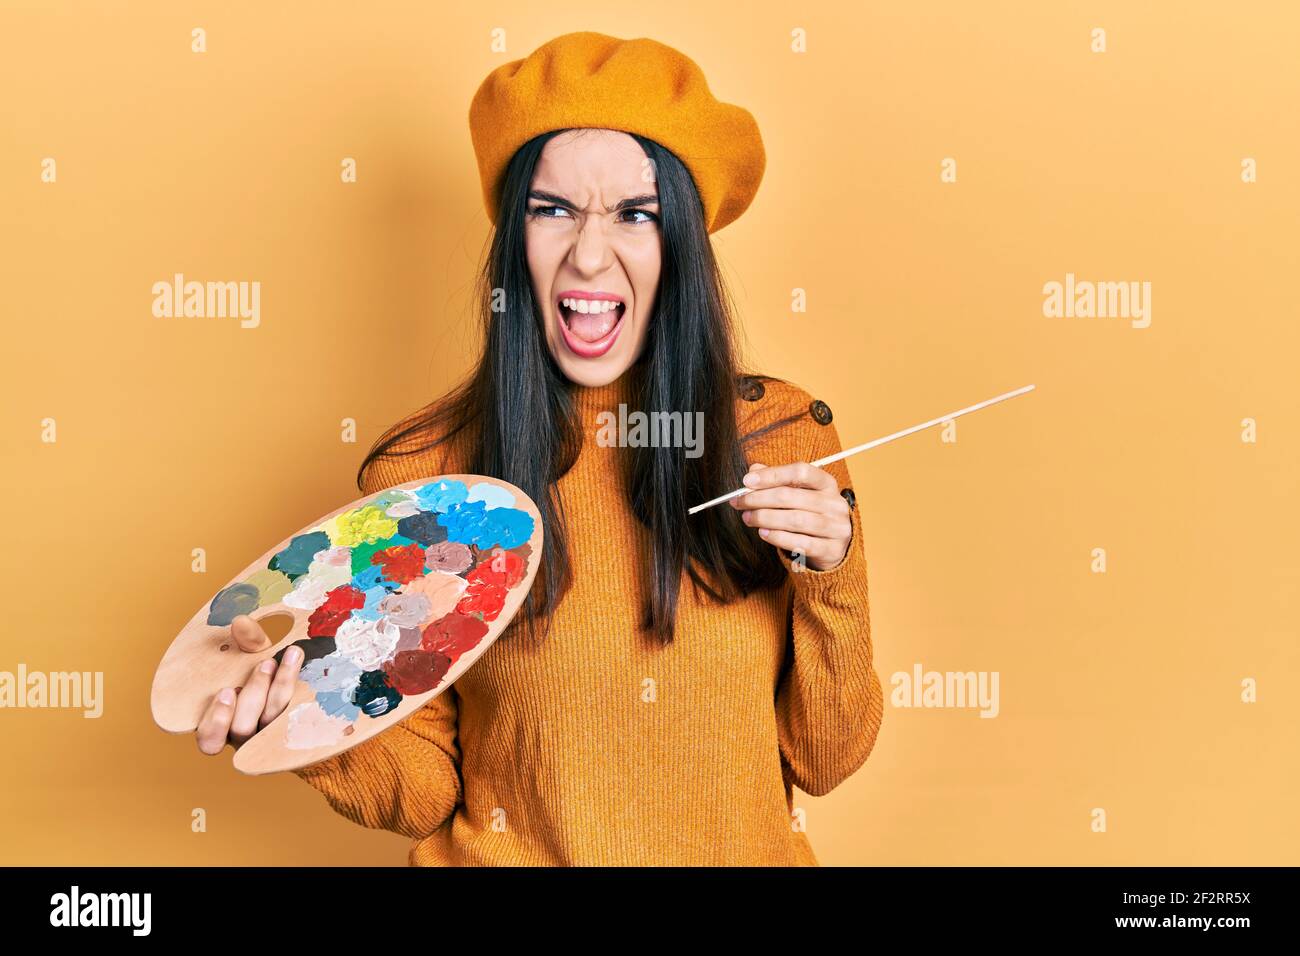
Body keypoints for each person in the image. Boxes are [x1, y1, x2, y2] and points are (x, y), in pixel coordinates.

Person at [195, 30, 884, 866]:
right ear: (513, 241)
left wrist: (834, 573)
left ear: (684, 250)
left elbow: (826, 755)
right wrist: (308, 721)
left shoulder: (775, 437)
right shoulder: (427, 468)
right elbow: (430, 792)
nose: (588, 255)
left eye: (637, 215)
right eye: (551, 210)